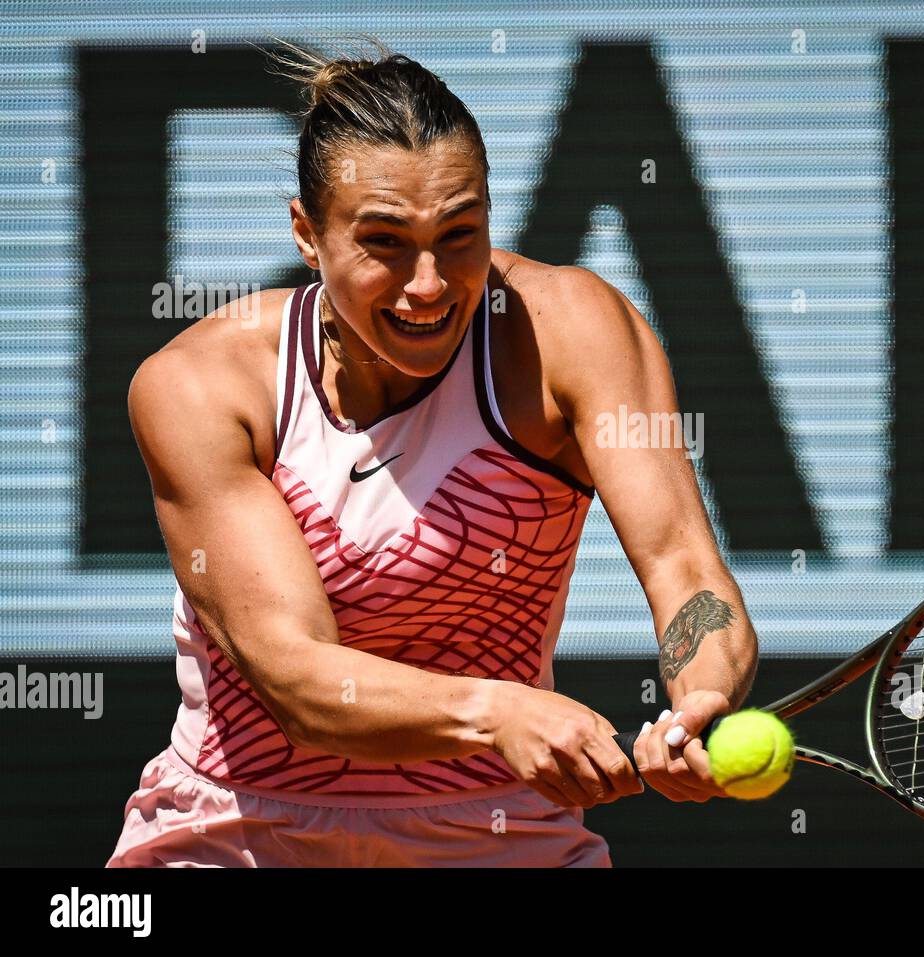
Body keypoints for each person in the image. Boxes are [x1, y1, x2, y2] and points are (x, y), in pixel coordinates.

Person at [106, 41, 758, 867]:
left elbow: (685, 569)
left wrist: (703, 697)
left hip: (497, 831)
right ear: (307, 234)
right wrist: (498, 715)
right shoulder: (199, 385)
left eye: (460, 234)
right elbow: (298, 676)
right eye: (385, 241)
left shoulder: (573, 333)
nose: (429, 285)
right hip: (235, 833)